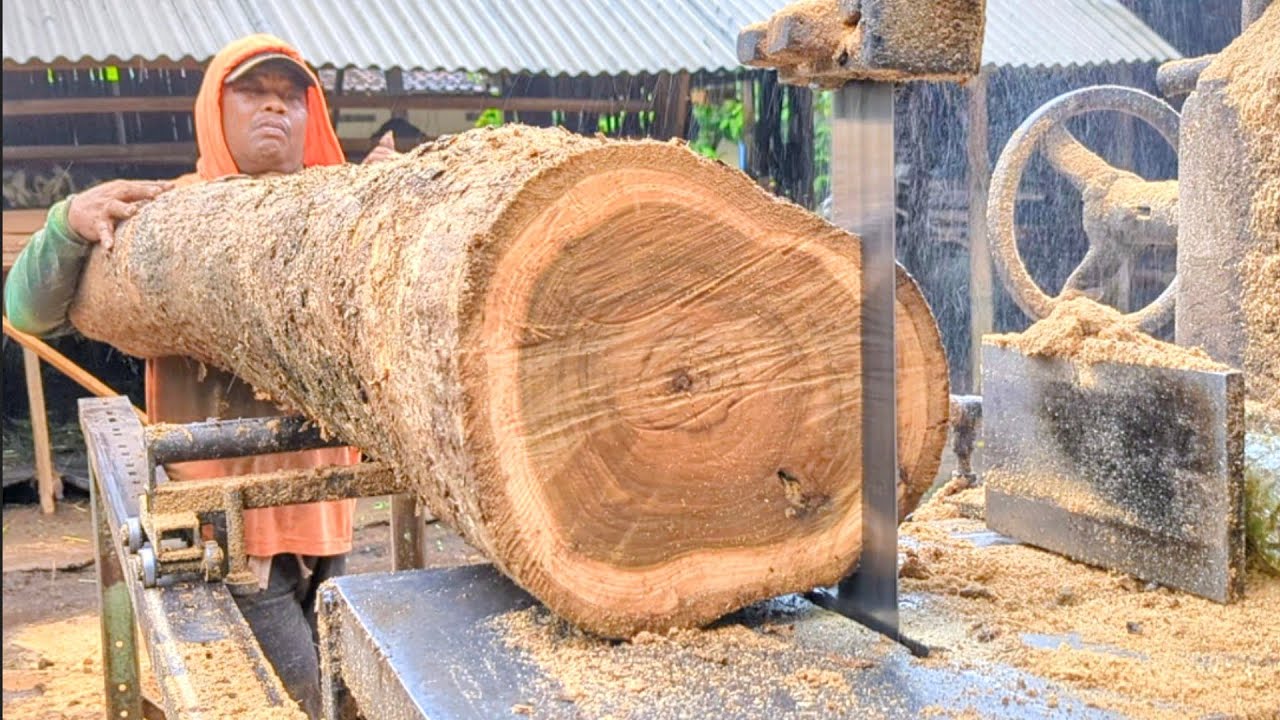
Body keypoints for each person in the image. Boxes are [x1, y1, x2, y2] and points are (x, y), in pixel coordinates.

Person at [4, 34, 398, 718]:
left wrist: (396, 201)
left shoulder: (346, 209)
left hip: (328, 512)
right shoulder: (166, 219)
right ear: (215, 108)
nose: (274, 108)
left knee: (342, 685)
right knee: (309, 699)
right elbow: (26, 312)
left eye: (289, 97)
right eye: (252, 93)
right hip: (230, 524)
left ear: (313, 116)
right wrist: (66, 224)